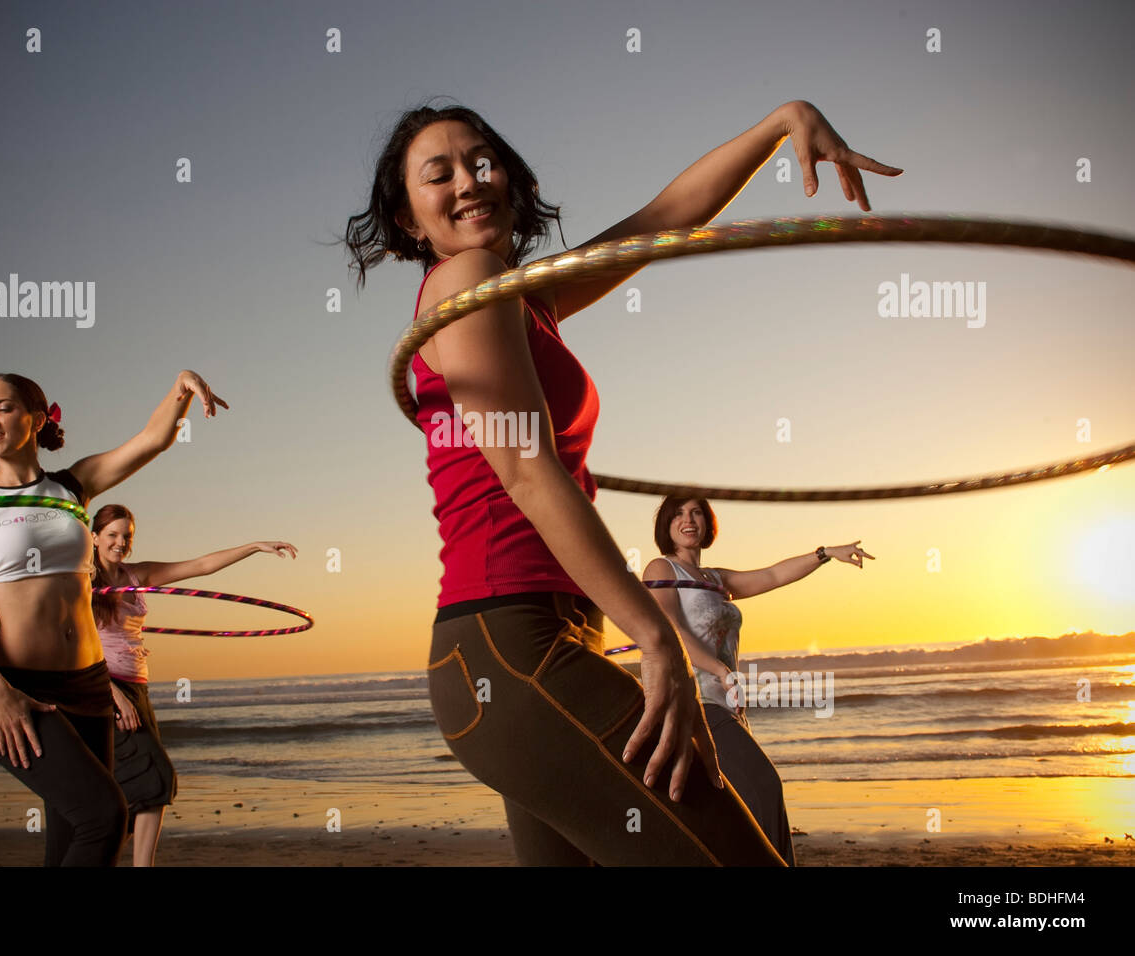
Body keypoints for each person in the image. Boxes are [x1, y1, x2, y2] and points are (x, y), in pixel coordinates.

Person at [342, 98, 899, 865]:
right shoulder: (465, 281)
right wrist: (657, 638)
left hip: (517, 657)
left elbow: (662, 219)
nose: (469, 182)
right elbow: (531, 475)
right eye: (439, 175)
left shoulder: (522, 299)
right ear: (410, 218)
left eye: (482, 161)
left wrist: (780, 123)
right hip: (513, 647)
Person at [0, 370, 227, 866]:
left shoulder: (74, 486)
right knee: (105, 815)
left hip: (89, 687)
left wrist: (179, 390)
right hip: (19, 689)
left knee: (73, 839)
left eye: (3, 408)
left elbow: (152, 441)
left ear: (37, 418)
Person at [643, 496, 874, 864]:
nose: (689, 519)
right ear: (666, 526)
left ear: (707, 523)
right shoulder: (664, 569)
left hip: (727, 707)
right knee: (765, 788)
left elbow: (772, 575)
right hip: (696, 704)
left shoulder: (717, 579)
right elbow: (670, 633)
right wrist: (720, 670)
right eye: (679, 514)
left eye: (697, 512)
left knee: (731, 814)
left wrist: (825, 553)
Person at [90, 502, 297, 866]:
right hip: (106, 689)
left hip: (137, 688)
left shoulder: (137, 574)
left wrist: (253, 546)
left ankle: (90, 857)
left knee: (130, 793)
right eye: (112, 535)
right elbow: (74, 646)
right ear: (94, 537)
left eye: (127, 536)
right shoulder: (81, 583)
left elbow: (199, 566)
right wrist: (114, 696)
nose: (120, 543)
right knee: (156, 781)